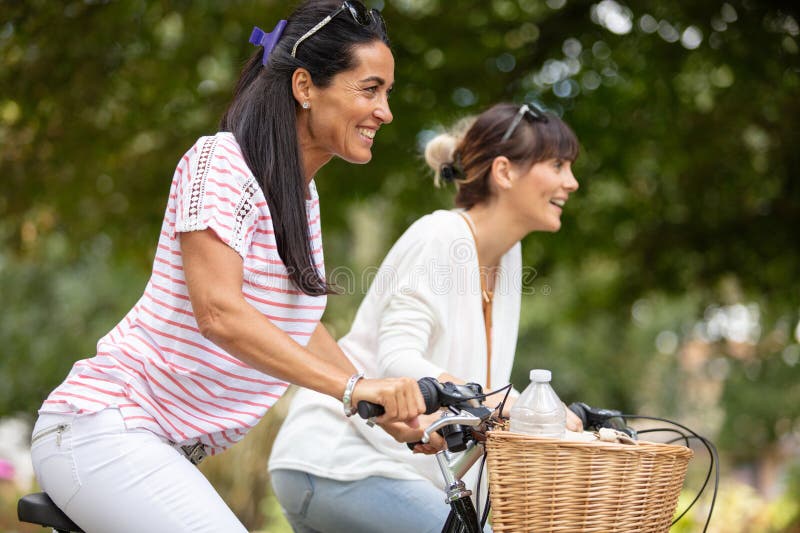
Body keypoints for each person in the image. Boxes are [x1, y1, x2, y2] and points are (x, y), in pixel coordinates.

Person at [28, 2, 425, 532]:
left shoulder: (300, 197)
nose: (385, 112)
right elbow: (219, 311)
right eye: (369, 89)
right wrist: (354, 390)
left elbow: (297, 328)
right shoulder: (221, 163)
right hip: (101, 429)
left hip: (151, 446)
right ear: (305, 86)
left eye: (387, 93)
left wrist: (387, 412)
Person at [269, 101, 584, 533]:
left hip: (385, 468)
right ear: (505, 172)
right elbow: (399, 360)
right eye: (557, 164)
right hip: (340, 460)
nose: (572, 181)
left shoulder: (507, 257)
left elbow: (473, 405)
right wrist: (514, 403)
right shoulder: (441, 236)